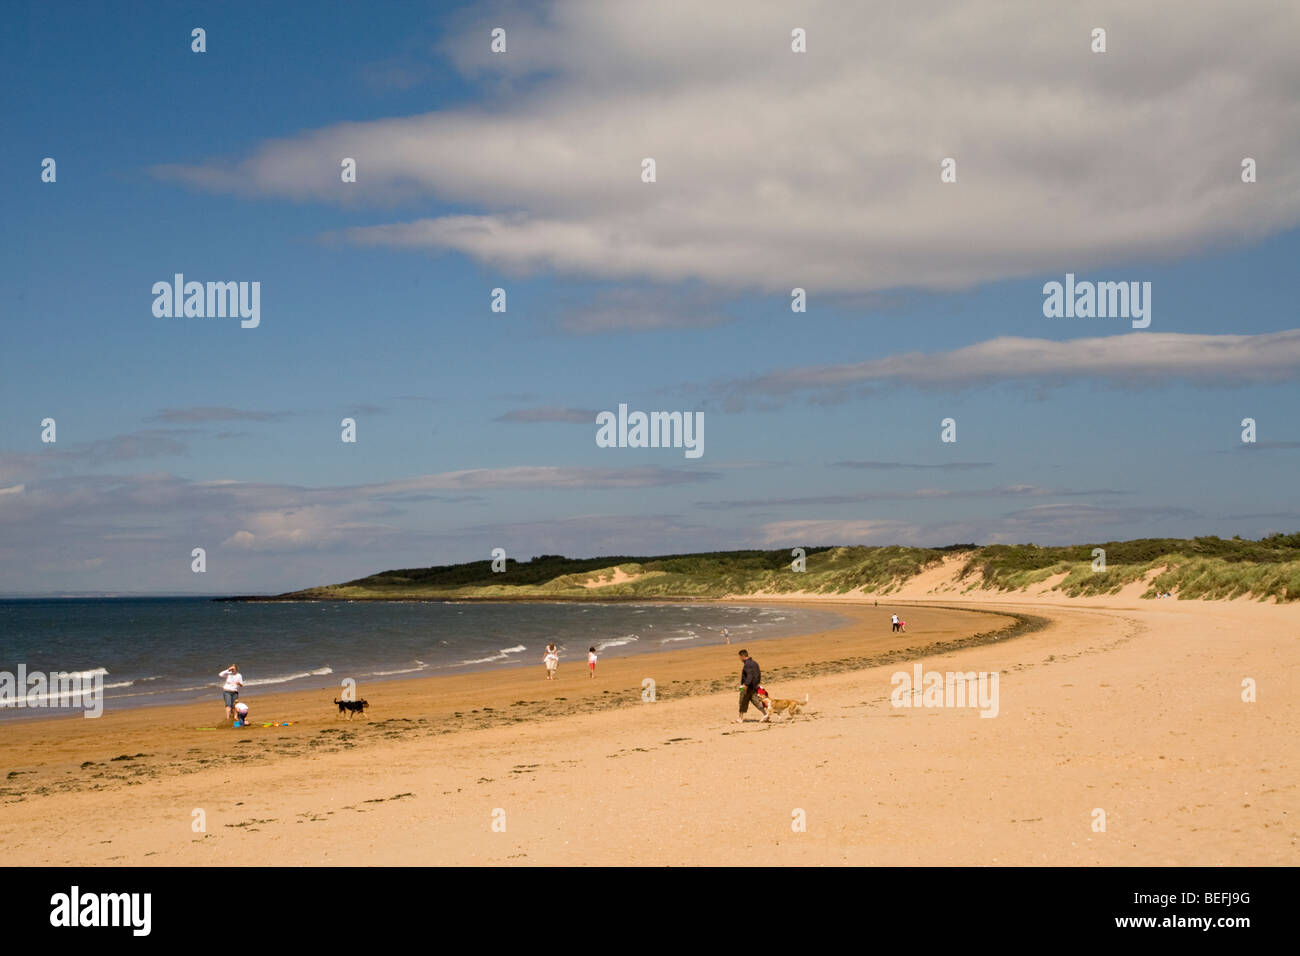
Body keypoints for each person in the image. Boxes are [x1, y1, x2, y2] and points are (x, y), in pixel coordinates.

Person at [736, 649, 764, 723]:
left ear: (742, 656)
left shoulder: (747, 665)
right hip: (754, 686)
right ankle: (765, 714)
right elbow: (758, 674)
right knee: (756, 701)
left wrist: (745, 685)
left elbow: (750, 675)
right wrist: (757, 684)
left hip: (747, 686)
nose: (740, 659)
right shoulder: (755, 663)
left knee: (742, 701)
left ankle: (740, 718)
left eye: (740, 657)